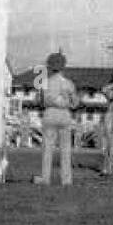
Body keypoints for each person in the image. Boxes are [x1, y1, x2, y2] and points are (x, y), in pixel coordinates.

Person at [34, 52, 78, 186]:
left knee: (47, 148)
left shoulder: (43, 82)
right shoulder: (69, 83)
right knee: (66, 150)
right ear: (63, 66)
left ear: (49, 66)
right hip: (64, 114)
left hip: (50, 114)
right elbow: (75, 103)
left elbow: (38, 101)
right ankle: (66, 180)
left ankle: (45, 178)